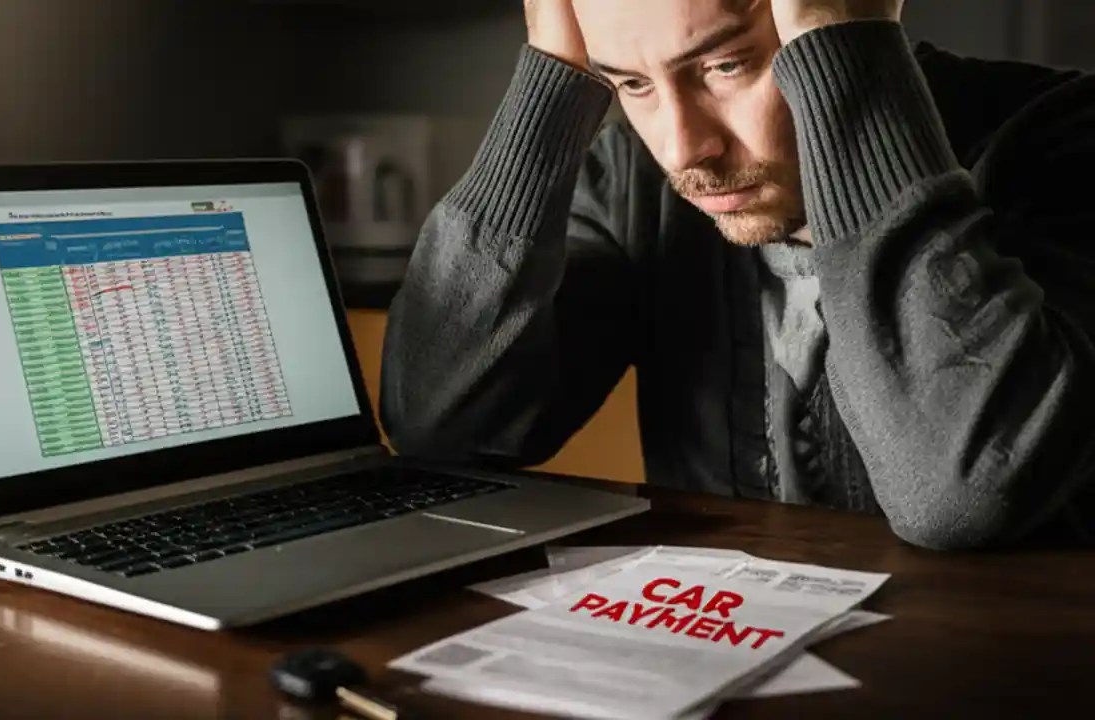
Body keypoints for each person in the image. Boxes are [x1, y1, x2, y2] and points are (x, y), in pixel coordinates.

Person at [378, 0, 1095, 549]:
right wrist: (551, 75)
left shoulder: (1062, 131)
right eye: (632, 83)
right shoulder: (633, 182)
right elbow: (441, 430)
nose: (683, 148)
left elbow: (963, 494)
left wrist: (844, 50)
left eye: (725, 66)